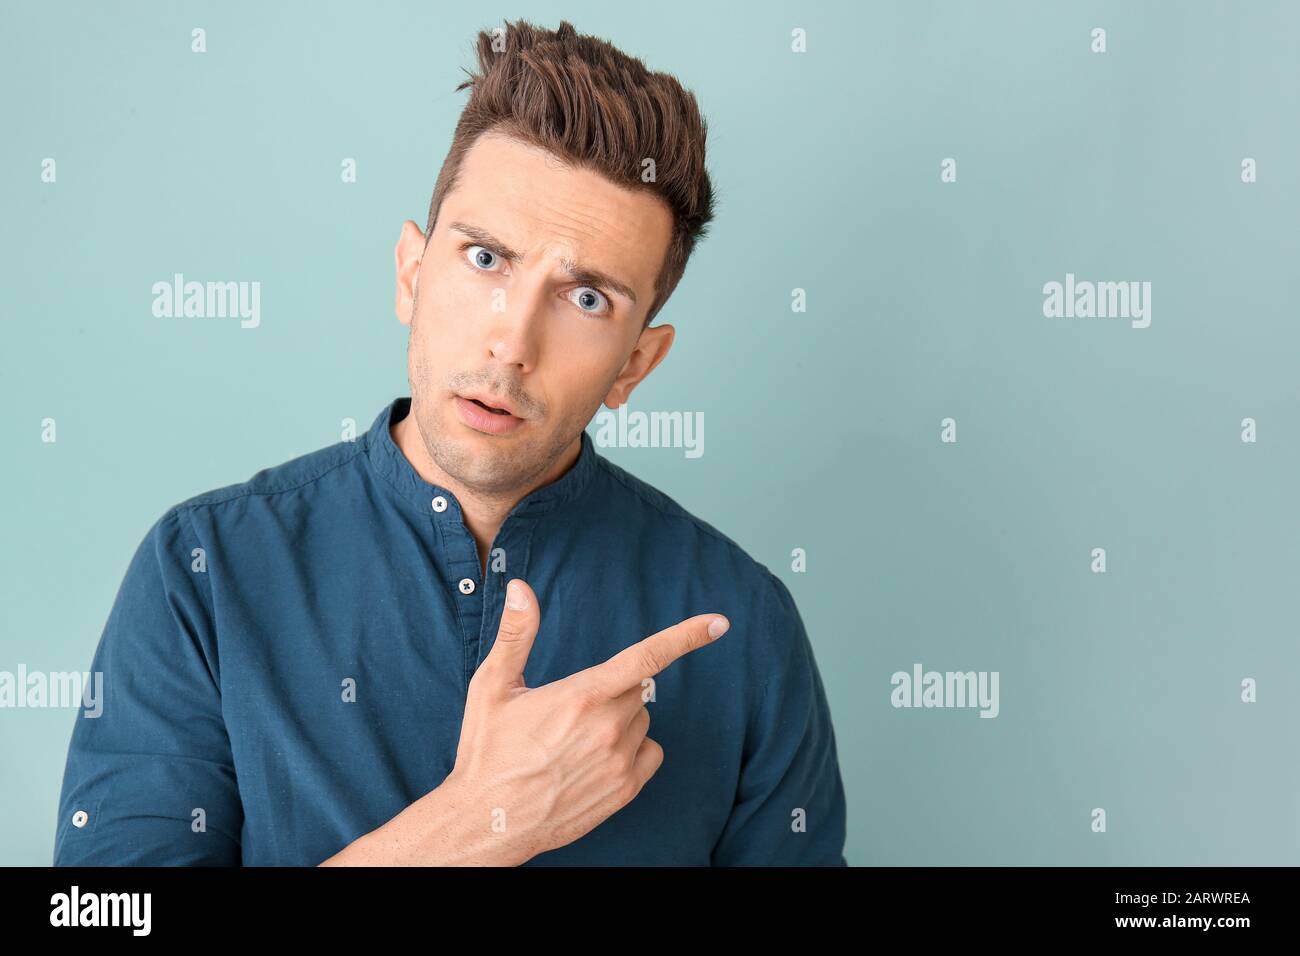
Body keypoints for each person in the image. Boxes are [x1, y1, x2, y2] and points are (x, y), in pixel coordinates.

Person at [53, 19, 847, 866]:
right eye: (485, 259)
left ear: (636, 365)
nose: (512, 344)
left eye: (586, 301)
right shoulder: (203, 571)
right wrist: (474, 825)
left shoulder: (743, 627)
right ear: (411, 273)